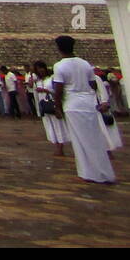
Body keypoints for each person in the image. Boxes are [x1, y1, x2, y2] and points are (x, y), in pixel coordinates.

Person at [51, 36, 115, 184]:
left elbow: (58, 90)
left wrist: (57, 108)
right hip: (88, 103)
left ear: (59, 48)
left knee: (80, 140)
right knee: (94, 138)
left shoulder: (60, 66)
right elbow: (93, 84)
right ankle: (100, 172)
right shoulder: (85, 64)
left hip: (72, 105)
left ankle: (90, 173)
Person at [33, 61, 65, 157]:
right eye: (38, 69)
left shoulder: (52, 79)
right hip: (44, 105)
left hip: (53, 104)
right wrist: (39, 111)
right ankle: (56, 146)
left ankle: (60, 147)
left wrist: (46, 90)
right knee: (50, 127)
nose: (40, 71)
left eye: (41, 68)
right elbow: (36, 97)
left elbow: (58, 91)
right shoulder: (37, 82)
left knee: (57, 125)